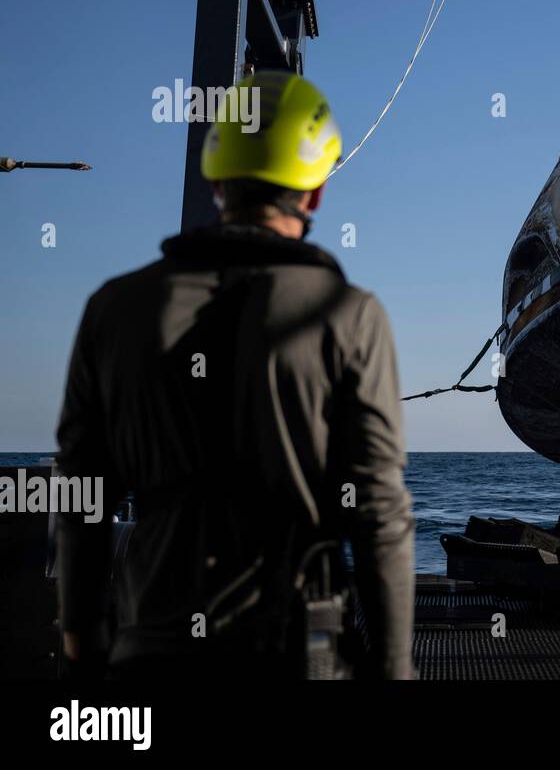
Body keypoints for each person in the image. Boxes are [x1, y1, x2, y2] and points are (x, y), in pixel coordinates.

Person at [56, 72, 413, 680]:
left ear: (216, 181)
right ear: (317, 192)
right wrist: (393, 671)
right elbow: (378, 513)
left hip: (149, 651)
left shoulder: (113, 308)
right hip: (295, 654)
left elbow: (81, 499)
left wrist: (84, 650)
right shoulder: (351, 317)